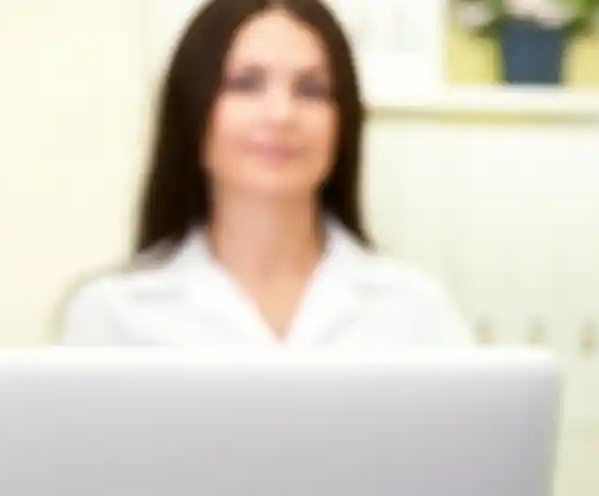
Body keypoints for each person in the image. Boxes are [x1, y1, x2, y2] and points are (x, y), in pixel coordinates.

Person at [59, 0, 473, 347]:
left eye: (311, 90)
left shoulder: (417, 310)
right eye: (246, 84)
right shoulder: (112, 315)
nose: (281, 115)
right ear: (192, 112)